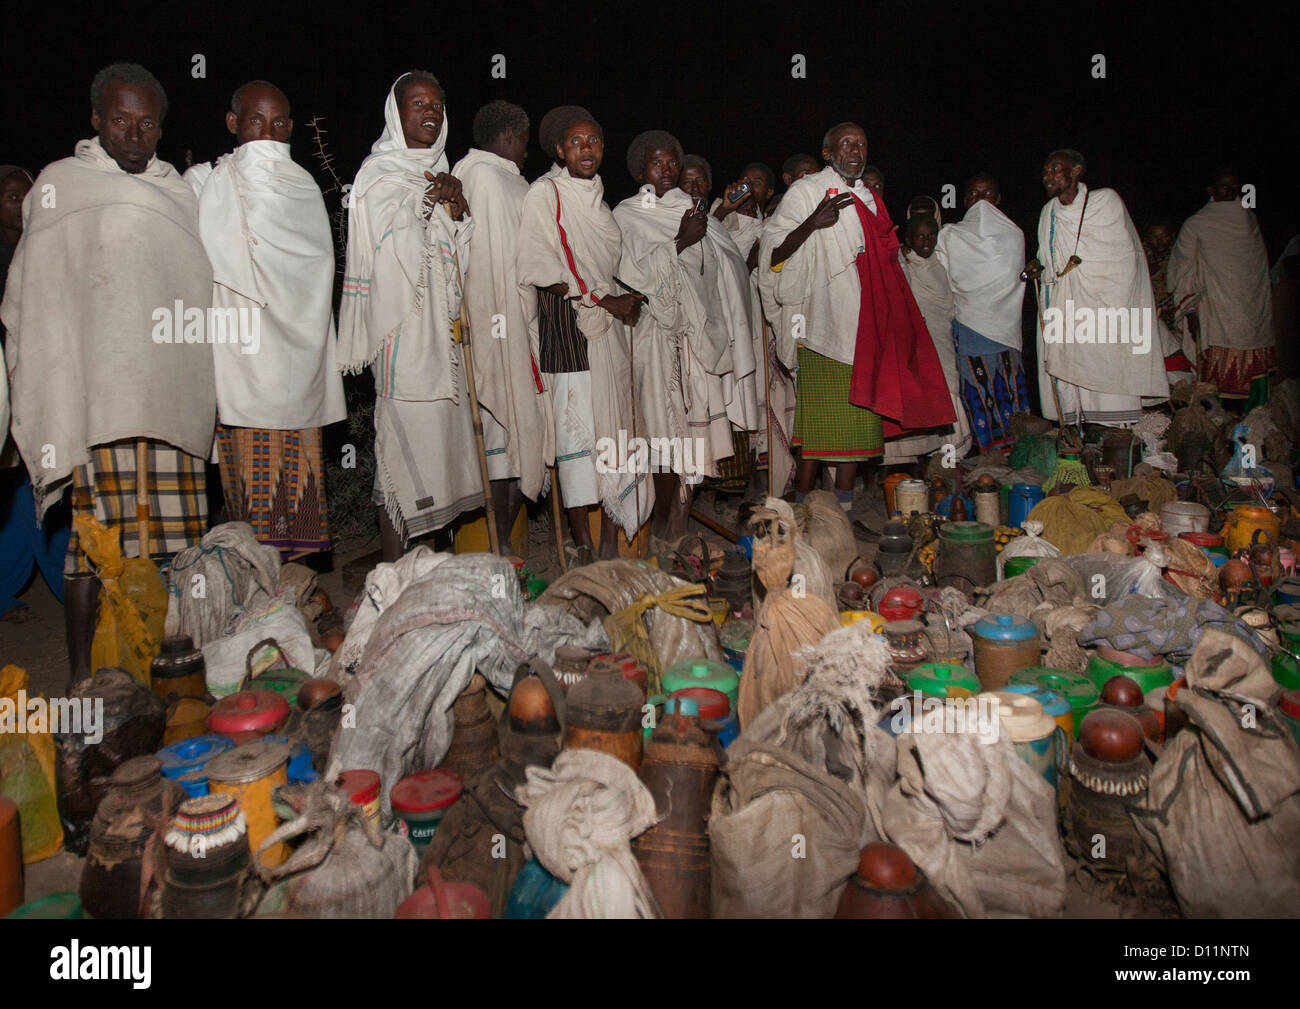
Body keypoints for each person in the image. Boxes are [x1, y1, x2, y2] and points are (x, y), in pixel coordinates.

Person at [1, 63, 216, 684]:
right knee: (93, 548)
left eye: (146, 122)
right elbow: (35, 297)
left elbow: (199, 290)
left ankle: (175, 671)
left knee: (176, 547)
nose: (133, 133)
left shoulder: (179, 194)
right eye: (120, 119)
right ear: (96, 119)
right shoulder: (61, 187)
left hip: (168, 399)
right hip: (98, 401)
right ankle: (80, 677)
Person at [184, 80, 346, 560]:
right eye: (256, 121)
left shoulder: (303, 186)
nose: (268, 133)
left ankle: (290, 595)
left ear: (291, 128)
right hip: (240, 364)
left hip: (295, 366)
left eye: (279, 124)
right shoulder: (206, 183)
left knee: (297, 495)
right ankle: (253, 586)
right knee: (246, 500)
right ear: (233, 123)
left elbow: (318, 272)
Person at [758, 122, 952, 514]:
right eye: (846, 143)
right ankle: (801, 511)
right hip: (820, 327)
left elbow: (885, 267)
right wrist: (812, 223)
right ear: (828, 152)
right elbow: (772, 256)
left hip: (864, 327)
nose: (855, 150)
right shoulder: (806, 192)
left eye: (862, 144)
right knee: (816, 430)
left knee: (857, 432)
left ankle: (842, 515)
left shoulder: (869, 199)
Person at [338, 71, 478, 562]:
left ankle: (429, 569)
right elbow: (386, 244)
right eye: (417, 103)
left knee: (438, 465)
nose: (430, 112)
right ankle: (397, 576)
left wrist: (459, 210)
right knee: (402, 464)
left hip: (445, 341)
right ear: (395, 116)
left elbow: (462, 258)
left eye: (437, 104)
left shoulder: (443, 172)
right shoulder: (377, 174)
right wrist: (427, 199)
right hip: (404, 336)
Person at [515, 107, 652, 563]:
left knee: (614, 429)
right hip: (567, 328)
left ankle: (611, 543)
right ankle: (582, 547)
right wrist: (602, 299)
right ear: (559, 150)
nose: (586, 148)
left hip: (609, 331)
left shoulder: (602, 203)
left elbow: (614, 266)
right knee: (577, 439)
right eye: (575, 142)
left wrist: (628, 297)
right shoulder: (546, 194)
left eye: (592, 141)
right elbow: (538, 266)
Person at [613, 130, 756, 540]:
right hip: (654, 343)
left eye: (673, 162)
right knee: (661, 437)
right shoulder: (629, 214)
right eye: (657, 163)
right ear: (641, 169)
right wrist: (680, 241)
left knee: (697, 437)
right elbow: (630, 278)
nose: (667, 169)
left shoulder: (698, 214)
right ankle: (659, 527)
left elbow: (725, 272)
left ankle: (679, 525)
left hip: (698, 345)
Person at [452, 100, 554, 551]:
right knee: (500, 437)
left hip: (520, 324)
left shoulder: (510, 181)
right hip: (496, 325)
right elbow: (484, 262)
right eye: (526, 142)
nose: (527, 152)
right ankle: (494, 549)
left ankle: (506, 548)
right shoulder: (482, 177)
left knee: (522, 435)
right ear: (510, 135)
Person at [1025, 149, 1168, 426]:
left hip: (1103, 311)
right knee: (1068, 379)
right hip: (1064, 310)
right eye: (1045, 172)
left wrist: (1085, 282)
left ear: (1076, 171)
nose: (1047, 176)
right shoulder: (1048, 213)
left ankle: (1113, 435)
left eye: (1055, 169)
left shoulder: (1105, 201)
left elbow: (1124, 261)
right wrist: (1038, 266)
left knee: (1105, 371)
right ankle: (1076, 440)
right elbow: (1048, 258)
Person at [0, 165, 70, 621]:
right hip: (6, 382)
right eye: (10, 197)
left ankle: (65, 583)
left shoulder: (42, 247)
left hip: (39, 380)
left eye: (28, 196)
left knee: (41, 483)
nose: (21, 205)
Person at [934, 173, 1031, 451]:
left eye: (987, 194)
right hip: (968, 331)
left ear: (998, 199)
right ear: (965, 201)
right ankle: (984, 459)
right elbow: (943, 282)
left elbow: (1011, 282)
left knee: (1010, 398)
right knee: (976, 400)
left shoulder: (1014, 235)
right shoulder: (951, 235)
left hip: (1005, 334)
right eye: (974, 195)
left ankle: (1017, 457)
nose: (980, 201)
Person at [1166, 169, 1276, 408]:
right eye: (1225, 187)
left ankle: (1253, 422)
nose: (1232, 191)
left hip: (1251, 309)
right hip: (1216, 309)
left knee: (1252, 385)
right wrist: (1190, 311)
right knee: (1215, 380)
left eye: (1235, 186)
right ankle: (1215, 419)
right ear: (1211, 191)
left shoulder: (1248, 219)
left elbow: (1256, 269)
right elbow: (1182, 269)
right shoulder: (1197, 224)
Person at [899, 204, 970, 461]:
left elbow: (948, 306)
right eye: (920, 236)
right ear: (908, 240)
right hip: (919, 343)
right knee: (931, 395)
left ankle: (952, 461)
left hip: (941, 337)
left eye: (931, 236)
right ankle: (934, 460)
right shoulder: (904, 265)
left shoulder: (939, 265)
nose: (927, 241)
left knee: (950, 388)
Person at [1142, 220, 1196, 383]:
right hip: (1146, 316)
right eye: (1154, 237)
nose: (1159, 241)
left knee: (1177, 358)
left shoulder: (1180, 257)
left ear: (1172, 237)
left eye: (1164, 237)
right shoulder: (1138, 257)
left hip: (1173, 316)